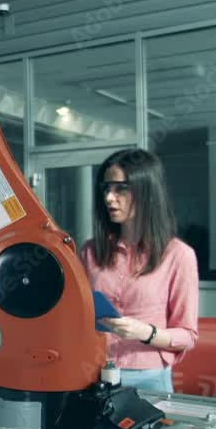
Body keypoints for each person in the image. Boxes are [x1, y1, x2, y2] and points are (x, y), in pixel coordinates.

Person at [80, 149, 199, 392]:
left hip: (148, 378)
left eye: (120, 189)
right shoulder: (90, 251)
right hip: (93, 372)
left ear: (146, 192)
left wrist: (145, 332)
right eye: (106, 189)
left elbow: (187, 335)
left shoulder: (178, 255)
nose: (109, 198)